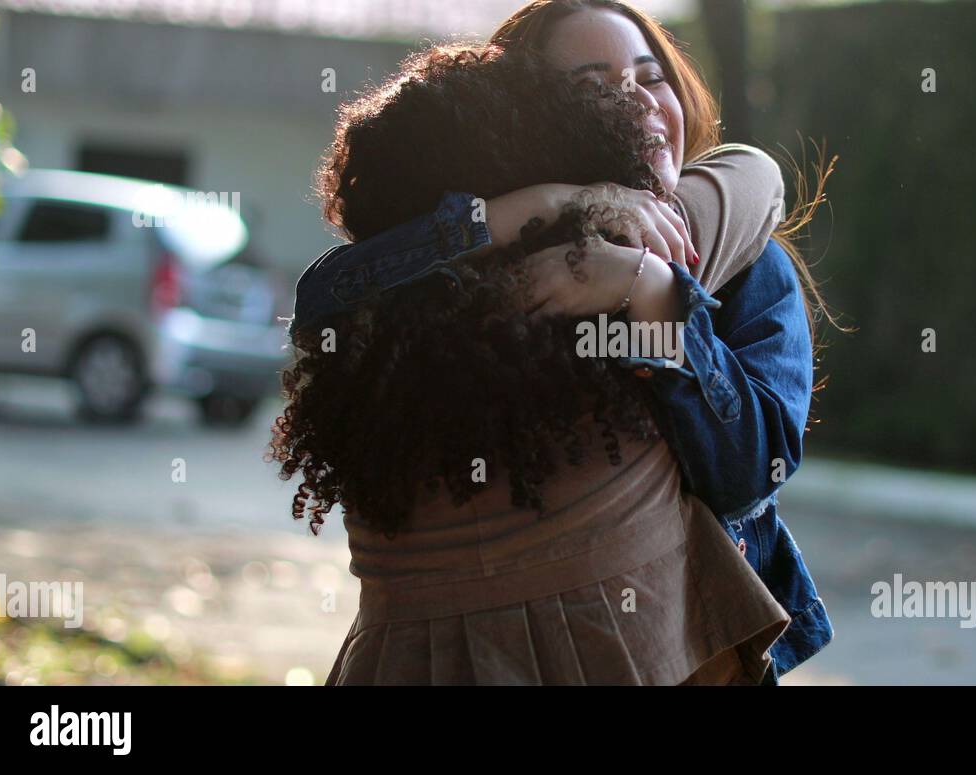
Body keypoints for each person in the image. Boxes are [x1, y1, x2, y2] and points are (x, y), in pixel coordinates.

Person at [282, 0, 835, 684]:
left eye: (649, 73)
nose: (634, 97)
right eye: (592, 82)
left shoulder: (742, 256)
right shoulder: (471, 261)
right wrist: (544, 206)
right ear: (531, 110)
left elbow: (751, 470)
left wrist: (655, 294)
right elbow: (324, 297)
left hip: (679, 646)